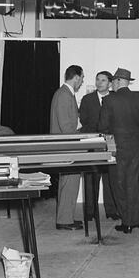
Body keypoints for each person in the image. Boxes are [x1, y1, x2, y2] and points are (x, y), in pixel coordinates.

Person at [97, 68, 139, 233]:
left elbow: (103, 127)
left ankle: (128, 222)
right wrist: (138, 140)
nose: (112, 84)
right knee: (133, 183)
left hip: (117, 148)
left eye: (113, 81)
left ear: (118, 81)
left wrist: (114, 142)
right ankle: (136, 218)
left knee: (118, 184)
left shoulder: (109, 100)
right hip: (136, 148)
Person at [78, 70, 119, 222]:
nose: (99, 83)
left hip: (110, 143)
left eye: (102, 80)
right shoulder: (87, 99)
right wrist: (99, 130)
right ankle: (90, 211)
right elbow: (84, 120)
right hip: (93, 142)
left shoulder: (115, 99)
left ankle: (111, 210)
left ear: (109, 83)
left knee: (110, 178)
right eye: (97, 80)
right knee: (91, 178)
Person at [49, 64, 85, 230]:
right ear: (76, 77)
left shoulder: (66, 94)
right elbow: (66, 126)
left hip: (70, 145)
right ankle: (64, 221)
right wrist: (81, 131)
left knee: (70, 183)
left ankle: (67, 217)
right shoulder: (64, 95)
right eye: (82, 78)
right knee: (68, 183)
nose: (82, 82)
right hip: (67, 146)